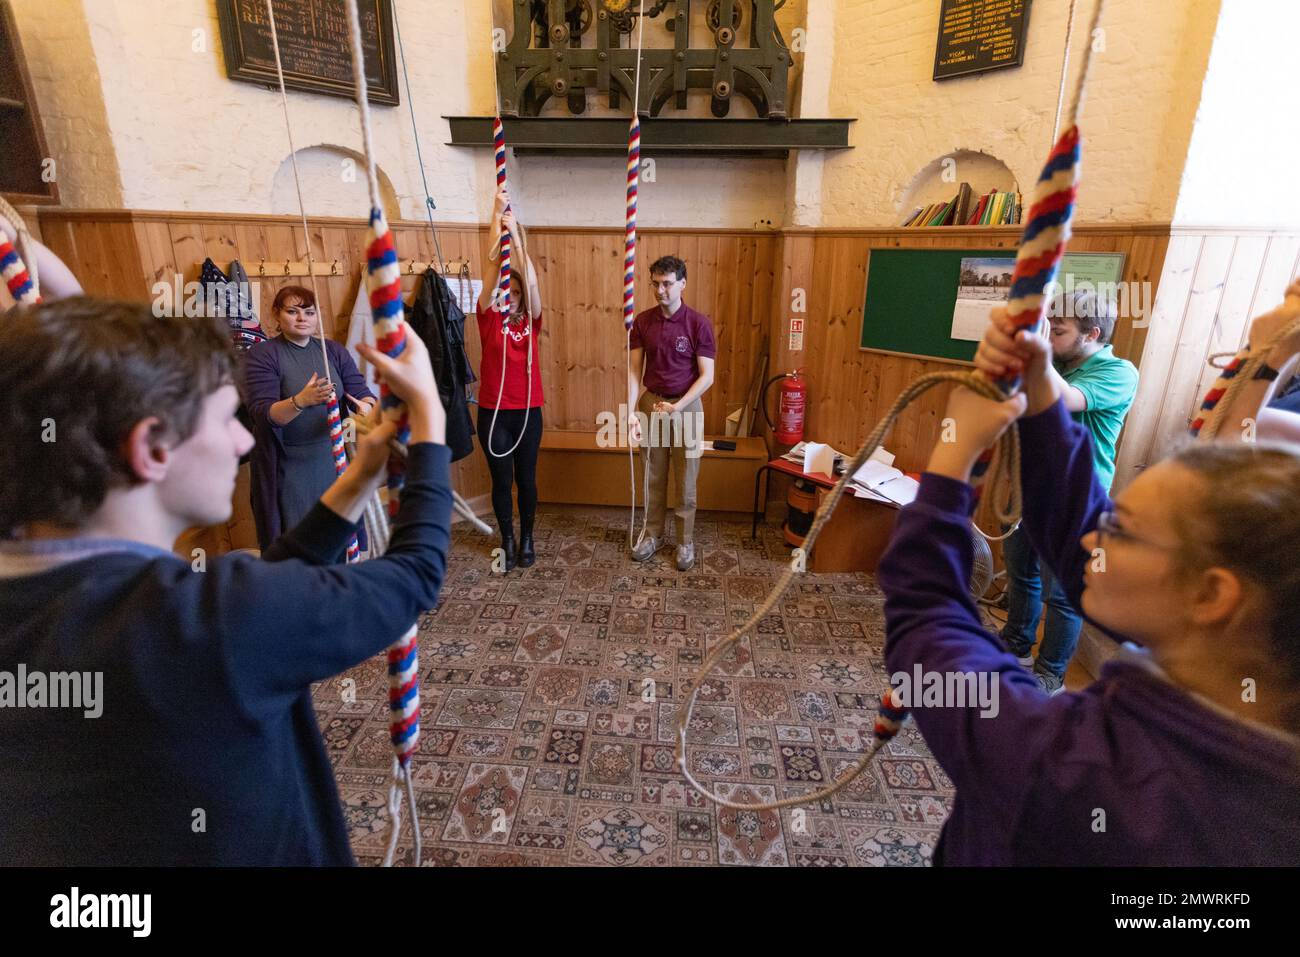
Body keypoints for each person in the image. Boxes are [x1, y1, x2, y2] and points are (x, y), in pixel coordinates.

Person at [0, 297, 451, 865]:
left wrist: (360, 477)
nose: (243, 441)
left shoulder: (57, 601)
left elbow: (269, 582)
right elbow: (417, 574)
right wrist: (431, 420)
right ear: (151, 448)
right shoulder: (213, 619)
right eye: (225, 419)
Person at [874, 291, 1300, 865]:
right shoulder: (1242, 668)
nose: (1097, 539)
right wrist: (1042, 392)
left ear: (1211, 594)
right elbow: (1083, 541)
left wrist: (952, 457)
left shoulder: (1083, 775)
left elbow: (926, 625)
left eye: (1121, 528)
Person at [999, 288, 1138, 693]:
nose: (1050, 336)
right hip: (1030, 485)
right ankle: (1016, 645)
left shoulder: (1118, 372)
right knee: (1022, 576)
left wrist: (1037, 358)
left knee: (1062, 593)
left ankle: (1051, 673)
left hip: (1074, 499)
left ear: (1092, 333)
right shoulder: (1056, 365)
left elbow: (1068, 401)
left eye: (1057, 331)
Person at [243, 285, 376, 553]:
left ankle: (336, 589)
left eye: (309, 312)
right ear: (277, 316)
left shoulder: (333, 351)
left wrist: (366, 407)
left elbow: (362, 392)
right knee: (300, 541)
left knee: (337, 535)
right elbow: (262, 414)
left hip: (332, 458)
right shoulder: (263, 355)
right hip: (288, 466)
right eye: (292, 311)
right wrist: (300, 401)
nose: (302, 318)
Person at [627, 255, 716, 571]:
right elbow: (634, 372)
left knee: (687, 479)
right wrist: (630, 410)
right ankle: (653, 535)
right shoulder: (643, 322)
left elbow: (707, 376)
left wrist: (679, 406)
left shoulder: (698, 324)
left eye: (667, 283)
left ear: (682, 283)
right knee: (653, 475)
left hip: (686, 407)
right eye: (655, 283)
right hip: (652, 403)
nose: (660, 290)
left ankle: (684, 540)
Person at [476, 187, 544, 571]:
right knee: (501, 481)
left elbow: (531, 282)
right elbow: (489, 272)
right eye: (509, 290)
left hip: (529, 410)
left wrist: (517, 237)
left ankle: (529, 537)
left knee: (527, 479)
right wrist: (495, 215)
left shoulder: (532, 322)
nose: (513, 295)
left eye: (516, 291)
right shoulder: (489, 318)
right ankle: (507, 537)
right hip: (494, 412)